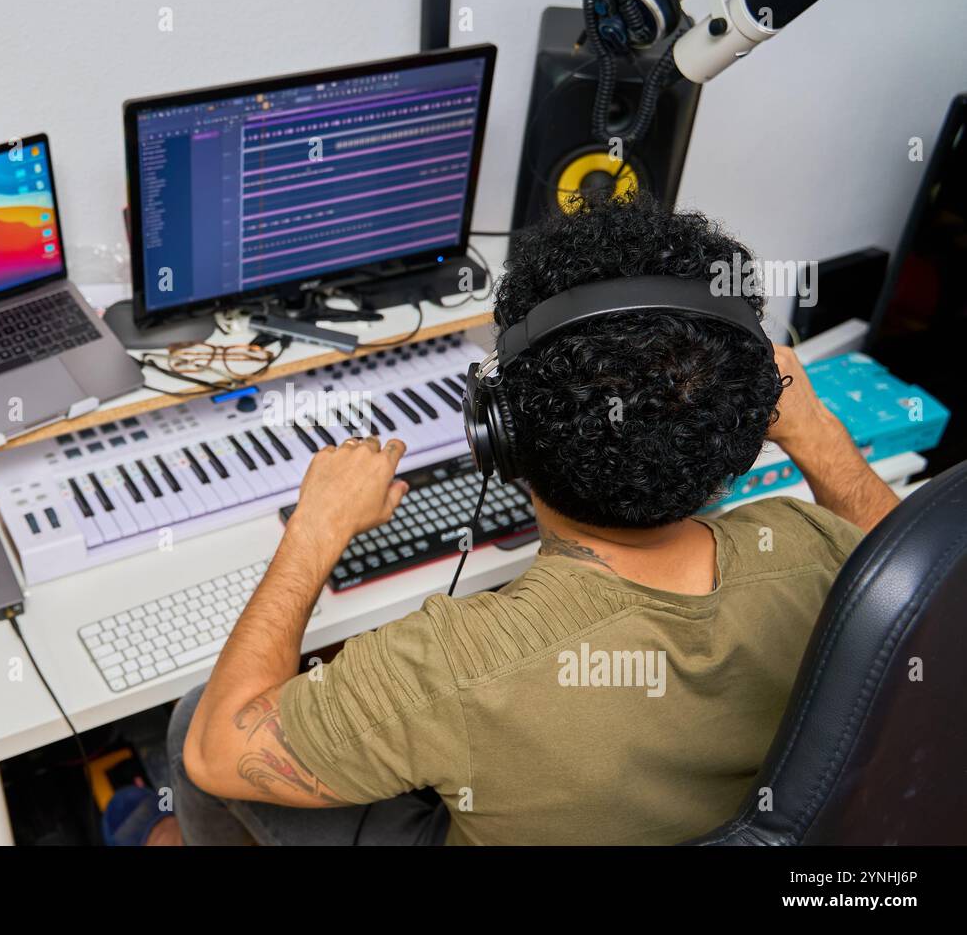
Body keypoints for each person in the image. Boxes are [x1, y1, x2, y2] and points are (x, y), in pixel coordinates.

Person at [125, 194, 899, 846]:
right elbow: (927, 566)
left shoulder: (453, 666)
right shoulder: (821, 553)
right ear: (748, 421)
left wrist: (314, 532)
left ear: (499, 430)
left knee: (197, 712)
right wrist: (818, 435)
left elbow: (218, 750)